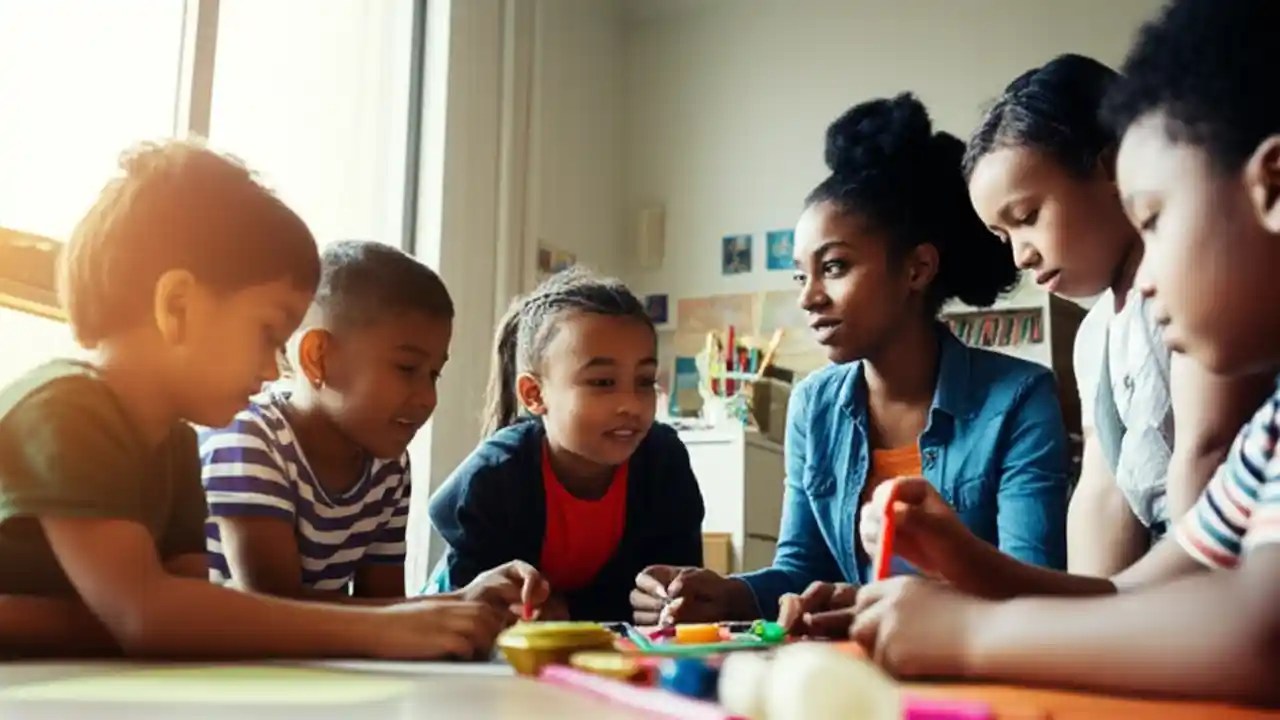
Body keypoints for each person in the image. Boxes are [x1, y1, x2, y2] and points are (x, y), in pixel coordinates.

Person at [852, 0, 1280, 705]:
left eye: (1155, 219)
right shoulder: (1267, 440)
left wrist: (970, 638)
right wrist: (966, 561)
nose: (1143, 278)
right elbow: (1125, 595)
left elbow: (1259, 628)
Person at [0, 141, 508, 659]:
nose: (271, 370)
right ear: (177, 305)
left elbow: (185, 607)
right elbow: (150, 618)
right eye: (267, 334)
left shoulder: (173, 441)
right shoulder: (67, 409)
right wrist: (388, 629)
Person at [632, 94, 1071, 629]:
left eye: (834, 267)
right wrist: (729, 595)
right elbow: (801, 568)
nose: (808, 296)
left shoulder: (1020, 398)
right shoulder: (814, 405)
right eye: (801, 275)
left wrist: (868, 601)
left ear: (917, 269)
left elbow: (1034, 581)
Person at [966, 53, 1271, 576]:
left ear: (1111, 168)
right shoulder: (1094, 335)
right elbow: (1103, 495)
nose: (1021, 254)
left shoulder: (1191, 290)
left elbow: (1204, 447)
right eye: (1004, 237)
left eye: (1028, 217)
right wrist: (1092, 619)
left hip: (1226, 570)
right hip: (1163, 576)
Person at [200, 240, 547, 613]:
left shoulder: (389, 467)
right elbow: (273, 606)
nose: (427, 398)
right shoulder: (248, 441)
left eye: (434, 375)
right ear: (318, 357)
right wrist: (450, 606)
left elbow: (381, 604)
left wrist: (470, 602)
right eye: (406, 369)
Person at [428, 268, 705, 621]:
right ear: (534, 394)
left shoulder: (663, 464)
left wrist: (676, 601)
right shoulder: (495, 479)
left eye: (644, 381)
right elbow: (473, 615)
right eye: (603, 382)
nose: (631, 404)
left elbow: (686, 590)